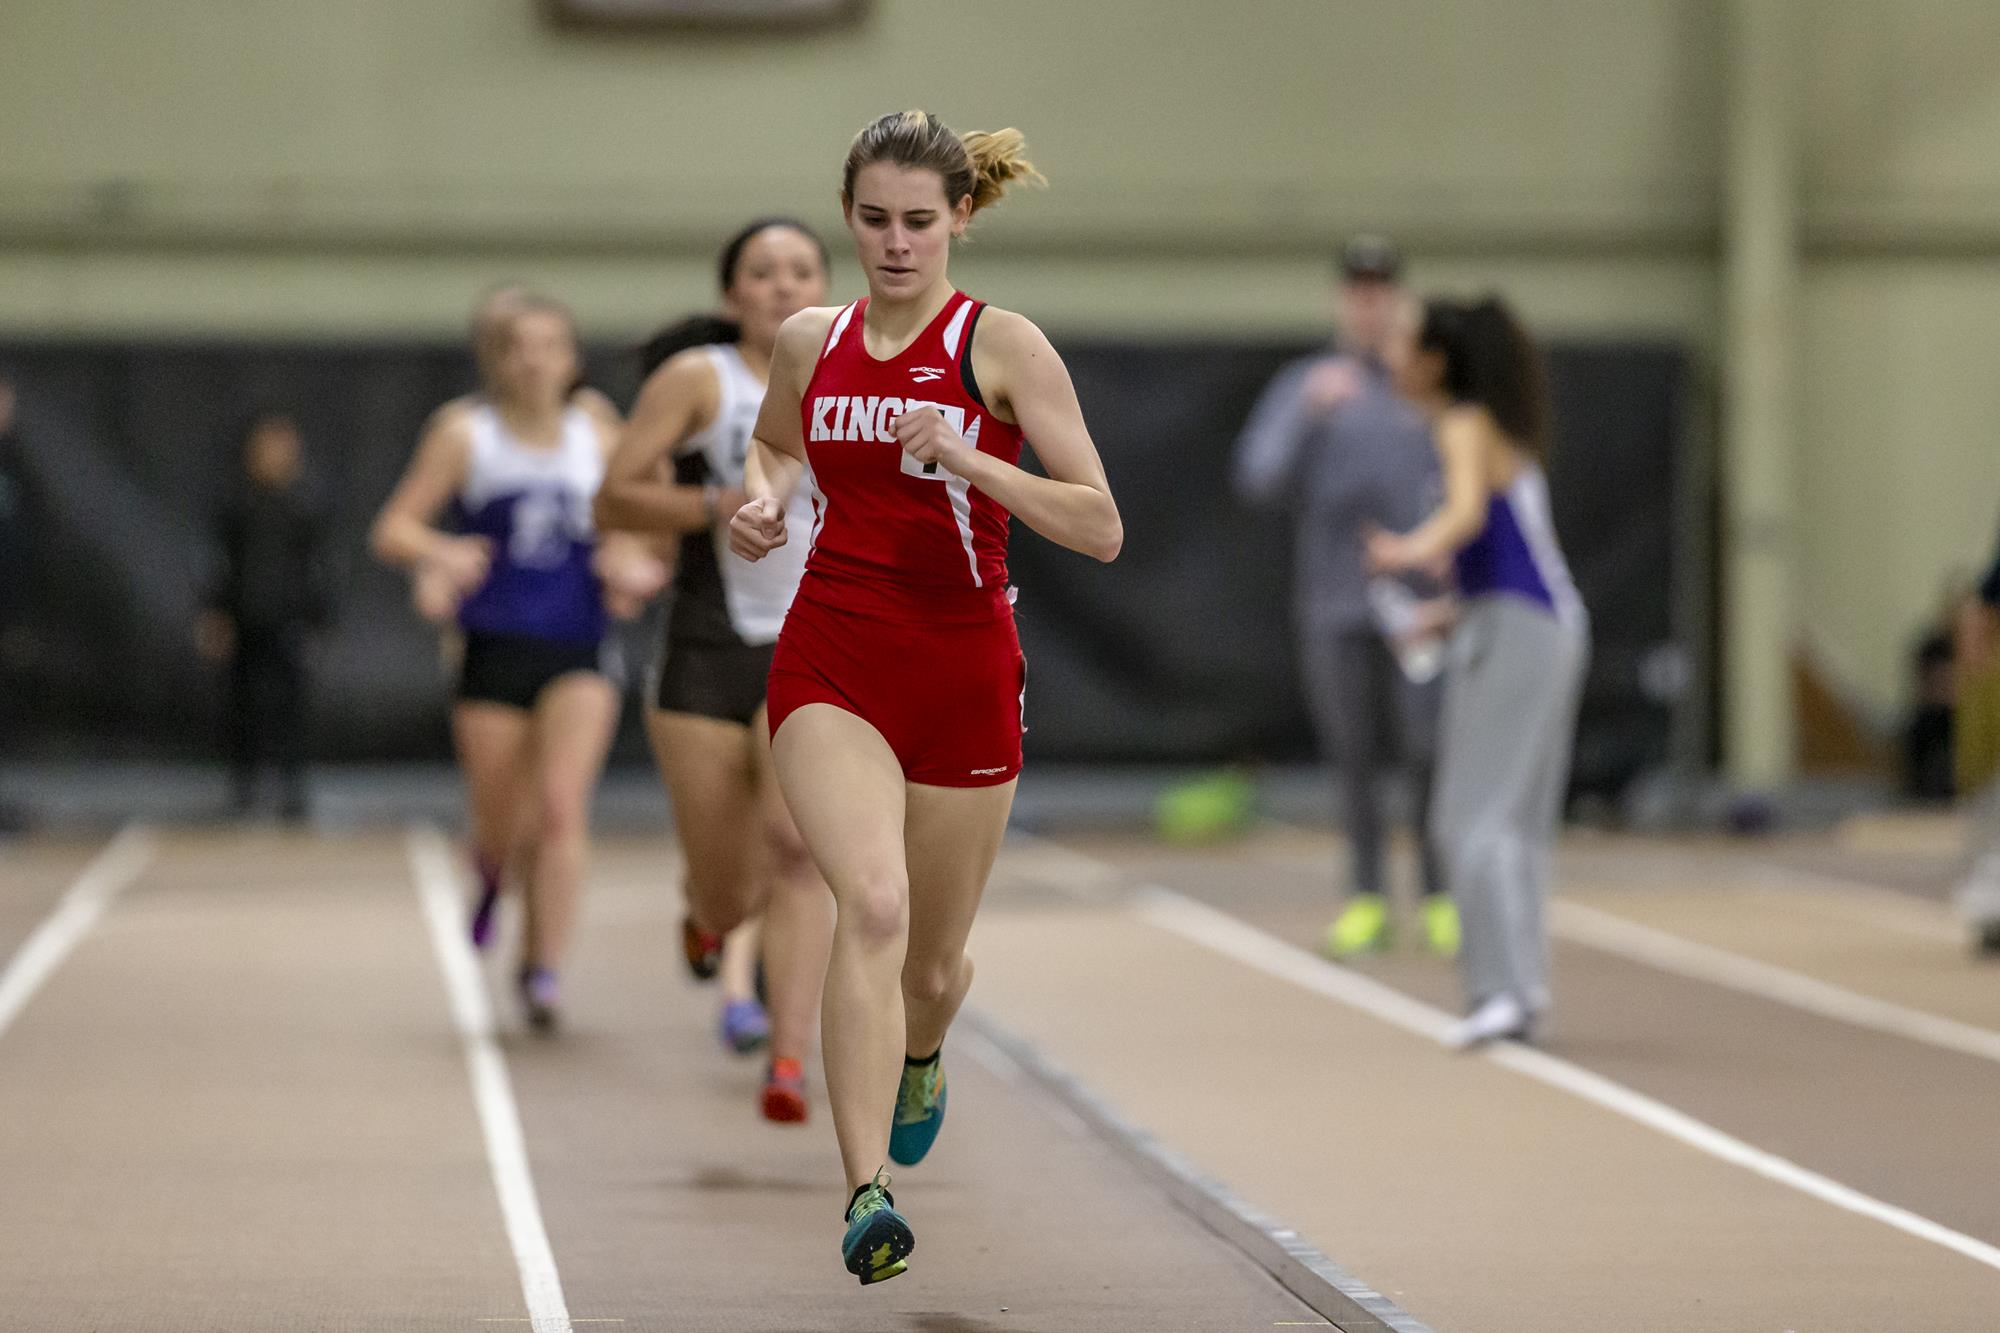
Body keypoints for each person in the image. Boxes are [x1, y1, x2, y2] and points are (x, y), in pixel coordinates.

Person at [728, 110, 1120, 1285]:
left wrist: (970, 454)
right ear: (847, 216)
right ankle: (864, 1194)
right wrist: (760, 500)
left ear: (958, 217)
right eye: (871, 221)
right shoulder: (810, 336)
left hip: (961, 670)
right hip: (832, 658)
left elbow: (1097, 523)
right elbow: (773, 446)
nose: (893, 244)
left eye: (916, 222)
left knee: (932, 967)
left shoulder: (999, 347)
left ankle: (924, 1049)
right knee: (876, 902)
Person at [593, 218, 839, 1123]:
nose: (781, 285)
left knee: (800, 851)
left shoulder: (853, 375)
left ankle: (787, 1055)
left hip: (815, 654)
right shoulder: (699, 380)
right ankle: (703, 916)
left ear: (825, 282)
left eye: (800, 270)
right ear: (732, 292)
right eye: (762, 272)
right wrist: (714, 500)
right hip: (703, 655)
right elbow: (613, 491)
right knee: (730, 886)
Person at [371, 291, 662, 1032]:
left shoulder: (596, 431)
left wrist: (632, 564)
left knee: (562, 807)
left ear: (571, 357)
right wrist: (443, 552)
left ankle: (543, 967)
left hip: (579, 646)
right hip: (493, 645)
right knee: (504, 818)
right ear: (495, 358)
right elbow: (394, 526)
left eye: (549, 344)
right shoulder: (466, 434)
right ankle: (493, 871)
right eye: (517, 345)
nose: (534, 359)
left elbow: (648, 523)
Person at [1368, 295, 1587, 1049]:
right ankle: (1520, 987)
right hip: (1523, 619)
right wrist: (1443, 613)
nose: (1390, 354)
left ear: (1435, 361)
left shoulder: (1463, 422)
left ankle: (1503, 989)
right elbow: (1501, 553)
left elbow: (1464, 517)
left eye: (1403, 343)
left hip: (1523, 626)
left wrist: (1406, 549)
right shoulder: (1480, 426)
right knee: (1512, 822)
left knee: (1472, 817)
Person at [1234, 237, 1454, 958]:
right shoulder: (1307, 384)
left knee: (1428, 749)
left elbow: (1467, 476)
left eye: (1382, 291)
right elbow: (1257, 478)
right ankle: (1366, 897)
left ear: (1398, 300)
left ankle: (1439, 894)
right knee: (1353, 756)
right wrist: (1309, 415)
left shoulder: (1426, 384)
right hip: (1334, 607)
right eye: (1358, 292)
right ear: (1341, 301)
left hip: (1421, 610)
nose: (1370, 304)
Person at [198, 412, 333, 820]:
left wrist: (319, 620)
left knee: (290, 705)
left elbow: (320, 568)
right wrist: (216, 614)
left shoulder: (307, 505)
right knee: (242, 705)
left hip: (289, 620)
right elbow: (220, 565)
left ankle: (293, 788)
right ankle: (245, 787)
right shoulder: (236, 504)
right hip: (245, 617)